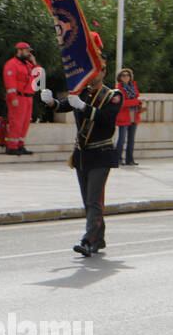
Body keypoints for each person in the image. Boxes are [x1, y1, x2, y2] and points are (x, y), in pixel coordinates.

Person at [38, 32, 124, 256]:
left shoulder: (113, 96)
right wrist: (51, 102)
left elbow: (107, 119)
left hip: (101, 153)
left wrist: (85, 108)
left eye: (98, 72)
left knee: (94, 199)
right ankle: (100, 237)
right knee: (88, 200)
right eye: (91, 72)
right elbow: (64, 105)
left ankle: (88, 240)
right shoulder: (82, 94)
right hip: (82, 155)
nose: (93, 77)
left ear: (104, 72)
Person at [2, 41, 36, 155]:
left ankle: (20, 145)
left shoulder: (28, 65)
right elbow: (10, 82)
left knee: (25, 123)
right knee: (16, 122)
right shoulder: (12, 64)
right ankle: (11, 147)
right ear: (19, 50)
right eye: (27, 50)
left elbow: (36, 77)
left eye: (29, 51)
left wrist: (35, 63)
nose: (28, 53)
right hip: (18, 98)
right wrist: (13, 97)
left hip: (28, 98)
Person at [114, 68, 143, 166]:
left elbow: (137, 98)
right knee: (121, 139)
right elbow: (121, 103)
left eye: (127, 75)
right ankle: (118, 159)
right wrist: (136, 101)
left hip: (134, 113)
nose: (126, 77)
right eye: (123, 75)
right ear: (120, 78)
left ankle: (129, 159)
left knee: (131, 138)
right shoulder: (118, 89)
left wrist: (139, 103)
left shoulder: (133, 86)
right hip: (124, 115)